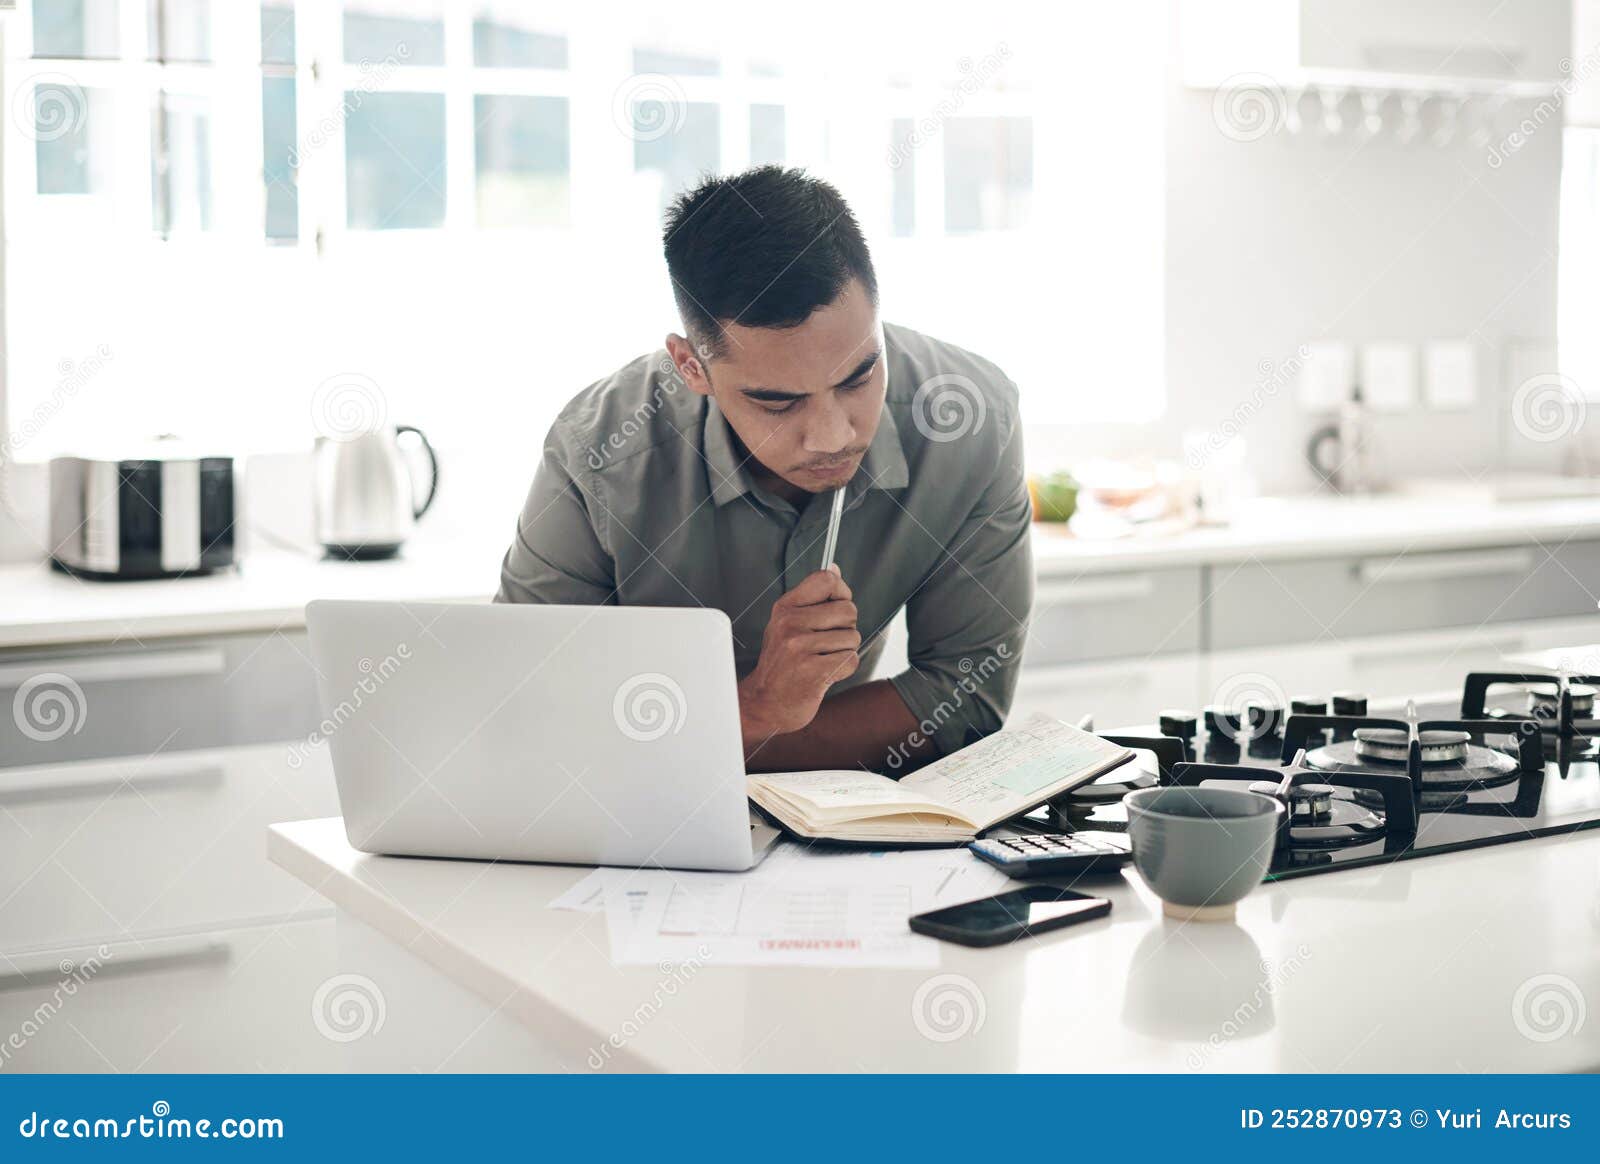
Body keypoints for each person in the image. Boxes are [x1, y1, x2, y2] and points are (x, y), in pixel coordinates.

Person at [497, 165, 1032, 773]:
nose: (834, 436)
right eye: (777, 401)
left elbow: (965, 703)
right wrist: (757, 707)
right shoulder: (596, 452)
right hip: (625, 835)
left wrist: (711, 739)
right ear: (691, 365)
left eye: (859, 376)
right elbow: (526, 717)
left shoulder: (972, 418)